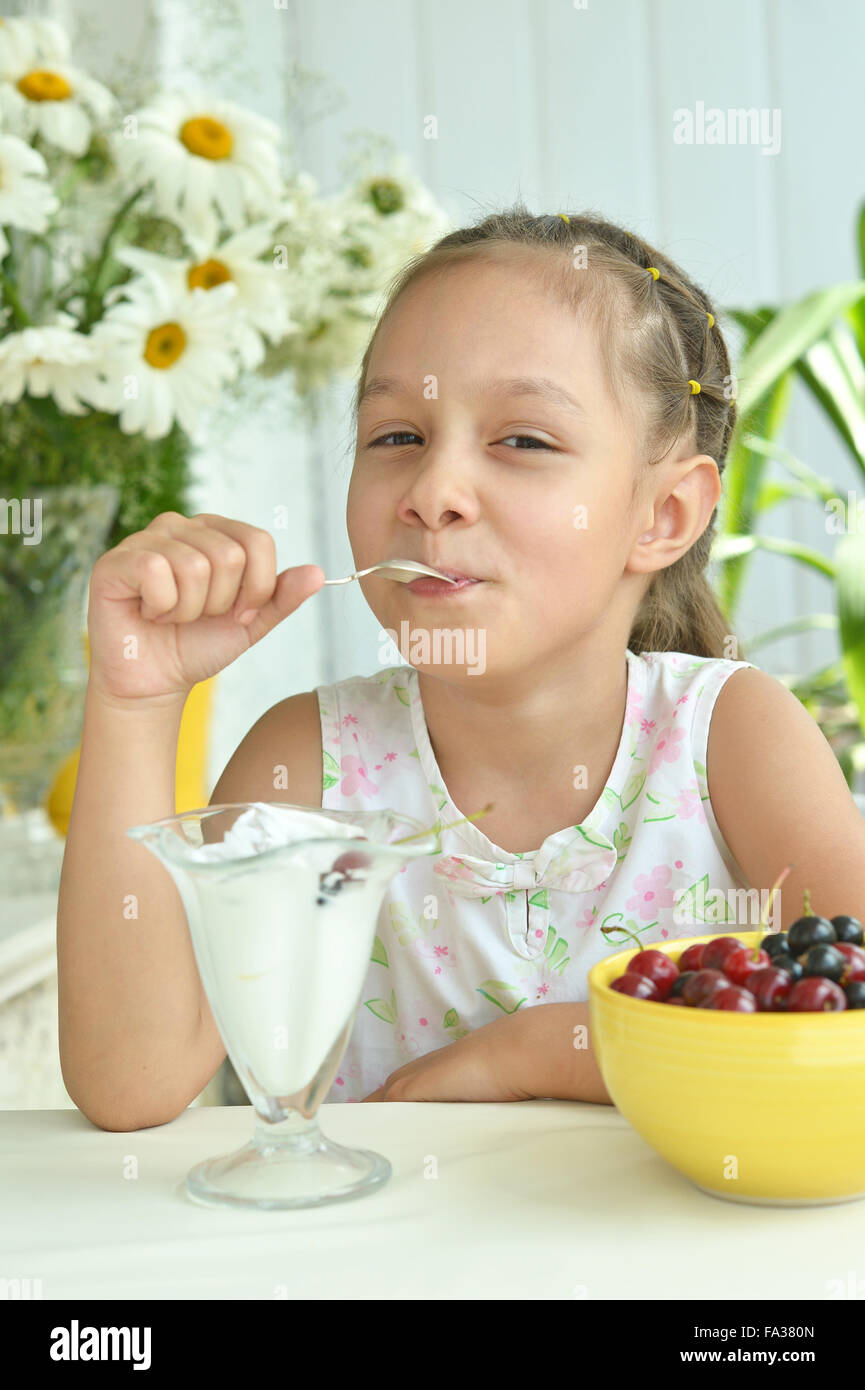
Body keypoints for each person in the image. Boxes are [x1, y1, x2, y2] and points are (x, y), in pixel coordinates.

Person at [60, 207, 865, 1130]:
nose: (432, 494)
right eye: (396, 435)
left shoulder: (731, 737)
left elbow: (851, 1027)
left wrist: (537, 1050)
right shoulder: (308, 758)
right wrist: (135, 700)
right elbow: (131, 1082)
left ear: (664, 516)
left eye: (522, 440)